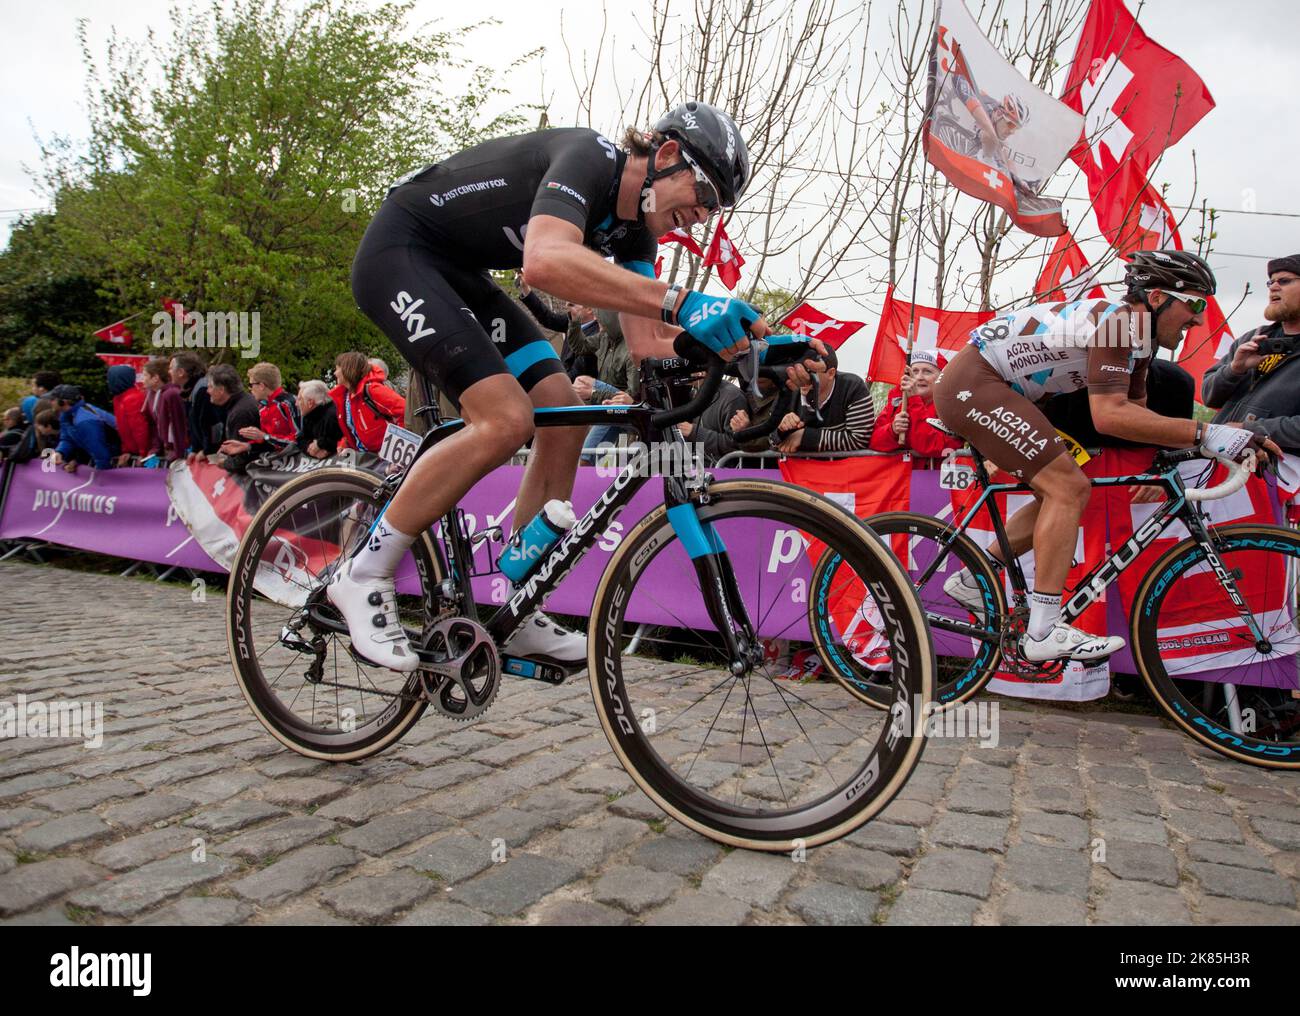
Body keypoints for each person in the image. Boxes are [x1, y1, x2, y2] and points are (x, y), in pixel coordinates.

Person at [338, 101, 801, 671]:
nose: (703, 215)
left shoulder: (636, 234)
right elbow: (545, 261)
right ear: (666, 154)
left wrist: (754, 348)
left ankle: (518, 603)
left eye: (716, 208)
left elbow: (647, 343)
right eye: (704, 192)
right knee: (506, 419)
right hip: (402, 254)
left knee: (565, 414)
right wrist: (686, 302)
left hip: (460, 276)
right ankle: (363, 573)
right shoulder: (590, 157)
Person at [932, 250, 1279, 663]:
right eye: (1196, 305)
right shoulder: (1117, 323)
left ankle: (974, 577)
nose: (1200, 320)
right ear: (1155, 298)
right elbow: (1109, 415)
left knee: (1061, 493)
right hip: (975, 385)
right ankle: (1042, 631)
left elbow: (1137, 414)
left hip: (1005, 392)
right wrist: (1210, 434)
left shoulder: (1140, 341)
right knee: (1068, 488)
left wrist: (1199, 443)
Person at [1202, 253, 1300, 451]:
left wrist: (1250, 429)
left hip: (1277, 473)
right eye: (1270, 282)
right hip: (1224, 461)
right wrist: (1234, 370)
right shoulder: (1253, 338)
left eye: (1284, 280)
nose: (1273, 287)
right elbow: (1209, 397)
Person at [871, 349, 964, 467]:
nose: (919, 377)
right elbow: (874, 442)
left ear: (942, 377)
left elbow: (930, 445)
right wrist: (892, 430)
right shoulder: (897, 399)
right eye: (914, 371)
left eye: (927, 372)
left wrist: (914, 400)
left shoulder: (953, 407)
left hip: (934, 480)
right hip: (898, 481)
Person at [776, 347, 875, 455]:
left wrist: (805, 437)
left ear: (831, 373)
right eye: (798, 370)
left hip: (840, 469)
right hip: (797, 469)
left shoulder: (853, 388)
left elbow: (859, 440)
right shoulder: (788, 388)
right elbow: (770, 440)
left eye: (810, 371)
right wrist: (781, 430)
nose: (802, 377)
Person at [329, 351, 406, 454]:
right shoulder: (345, 396)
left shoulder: (373, 389)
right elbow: (354, 428)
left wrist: (395, 452)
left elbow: (405, 412)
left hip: (384, 459)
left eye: (337, 368)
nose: (334, 373)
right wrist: (345, 443)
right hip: (366, 459)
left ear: (348, 369)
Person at [45, 384, 119, 472]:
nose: (50, 402)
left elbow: (101, 454)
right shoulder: (66, 414)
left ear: (63, 402)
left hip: (114, 458)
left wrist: (100, 477)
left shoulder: (85, 421)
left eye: (52, 399)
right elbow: (67, 439)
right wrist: (60, 452)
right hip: (99, 456)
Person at [207, 365, 262, 472]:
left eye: (210, 387)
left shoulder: (240, 413)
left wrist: (224, 463)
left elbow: (243, 460)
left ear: (221, 390)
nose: (207, 391)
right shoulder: (244, 402)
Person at [142, 358, 190, 463]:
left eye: (145, 375)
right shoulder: (151, 394)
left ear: (155, 378)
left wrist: (178, 451)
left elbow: (178, 424)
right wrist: (156, 449)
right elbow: (156, 425)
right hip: (168, 450)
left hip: (179, 451)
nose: (142, 379)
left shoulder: (171, 394)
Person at [106, 364, 152, 466]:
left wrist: (143, 453)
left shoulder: (132, 398)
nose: (108, 382)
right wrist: (125, 450)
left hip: (144, 452)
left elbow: (140, 429)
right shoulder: (118, 399)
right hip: (133, 451)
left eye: (110, 379)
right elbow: (122, 427)